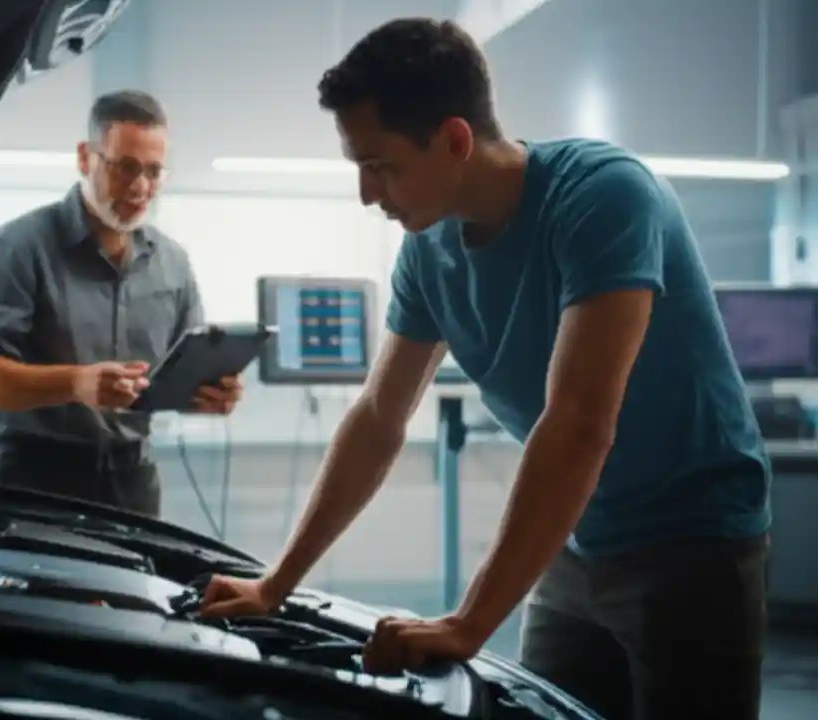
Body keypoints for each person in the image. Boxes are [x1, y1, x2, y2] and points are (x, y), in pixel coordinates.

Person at [196, 18, 770, 720]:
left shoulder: (603, 197)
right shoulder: (425, 250)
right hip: (576, 537)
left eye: (380, 166)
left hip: (691, 541)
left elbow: (581, 422)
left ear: (456, 139)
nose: (367, 195)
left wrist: (470, 622)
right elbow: (379, 419)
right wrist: (275, 585)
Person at [0, 90, 242, 518]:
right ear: (85, 158)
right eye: (126, 167)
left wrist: (210, 395)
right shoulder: (20, 247)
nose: (141, 187)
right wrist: (73, 383)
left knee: (136, 588)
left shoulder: (173, 263)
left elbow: (177, 375)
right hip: (34, 477)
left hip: (133, 476)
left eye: (154, 172)